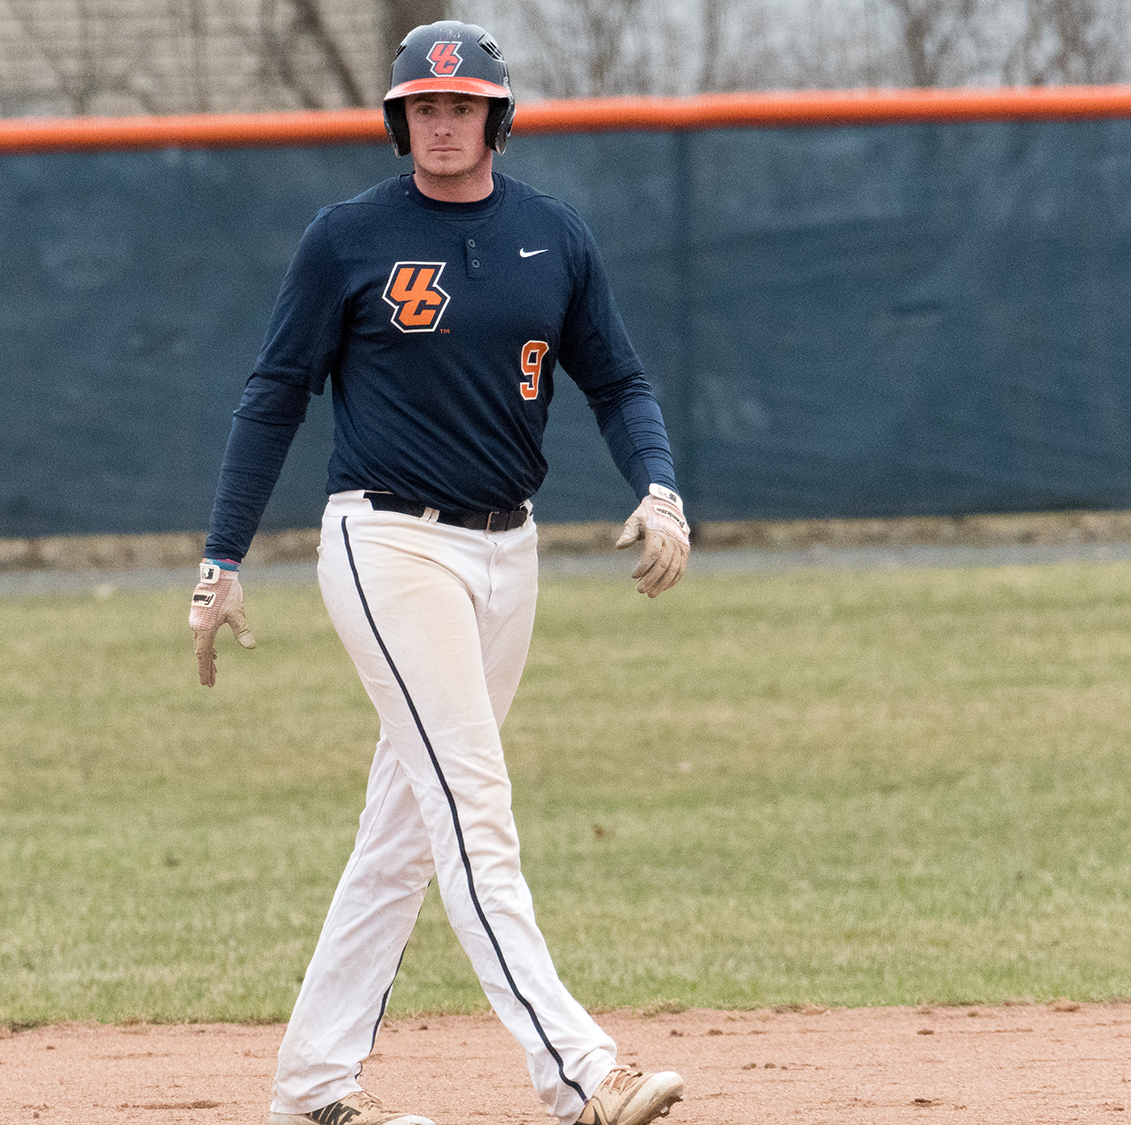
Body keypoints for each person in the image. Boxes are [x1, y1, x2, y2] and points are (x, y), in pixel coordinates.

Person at [187, 20, 691, 1125]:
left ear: (497, 118)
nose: (443, 120)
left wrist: (657, 486)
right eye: (424, 105)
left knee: (408, 829)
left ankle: (313, 1088)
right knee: (473, 810)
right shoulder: (348, 239)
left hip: (509, 550)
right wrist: (222, 556)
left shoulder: (552, 236)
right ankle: (577, 1074)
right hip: (388, 542)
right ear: (399, 120)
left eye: (462, 105)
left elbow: (618, 380)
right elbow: (273, 394)